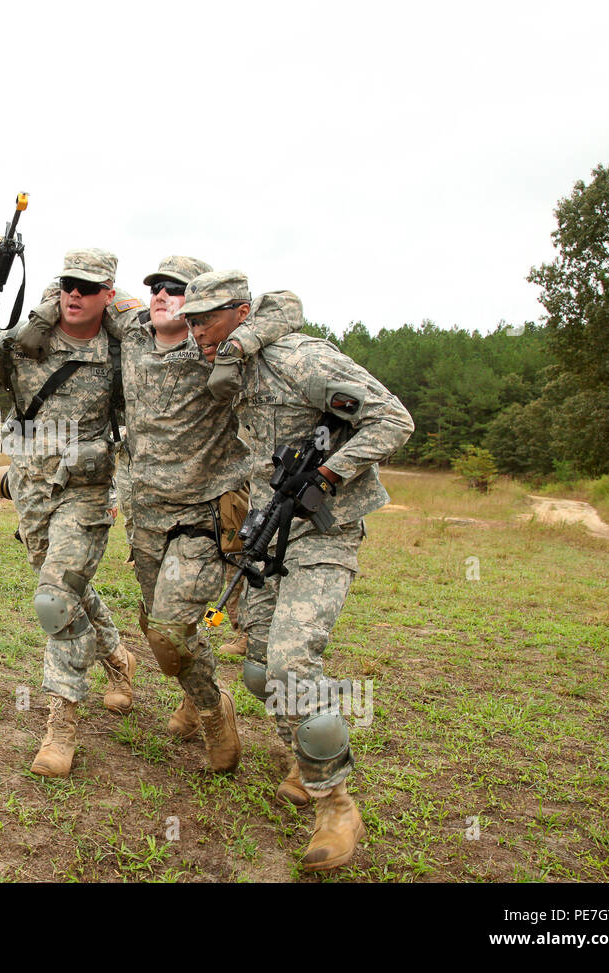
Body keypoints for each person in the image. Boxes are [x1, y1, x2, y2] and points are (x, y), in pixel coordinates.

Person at [17, 258, 305, 772]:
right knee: (160, 634)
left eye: (177, 290)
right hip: (146, 513)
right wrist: (39, 316)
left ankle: (215, 710)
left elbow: (285, 305)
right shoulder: (131, 330)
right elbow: (73, 296)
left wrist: (239, 344)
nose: (162, 296)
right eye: (156, 287)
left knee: (171, 630)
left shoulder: (215, 344)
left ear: (199, 305)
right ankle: (194, 693)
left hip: (205, 512)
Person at [183, 269, 414, 869]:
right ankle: (303, 752)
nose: (195, 332)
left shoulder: (302, 360)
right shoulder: (228, 367)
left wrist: (331, 473)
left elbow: (392, 420)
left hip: (324, 531)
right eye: (190, 319)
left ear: (239, 312)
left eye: (205, 319)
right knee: (261, 670)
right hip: (270, 530)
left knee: (291, 661)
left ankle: (334, 802)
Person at [0, 248, 140, 778]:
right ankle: (118, 658)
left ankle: (60, 727)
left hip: (87, 490)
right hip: (32, 489)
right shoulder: (25, 341)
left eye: (89, 286)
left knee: (54, 600)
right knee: (65, 590)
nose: (75, 294)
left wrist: (132, 493)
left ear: (107, 293)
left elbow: (147, 421)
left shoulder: (123, 354)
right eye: (68, 284)